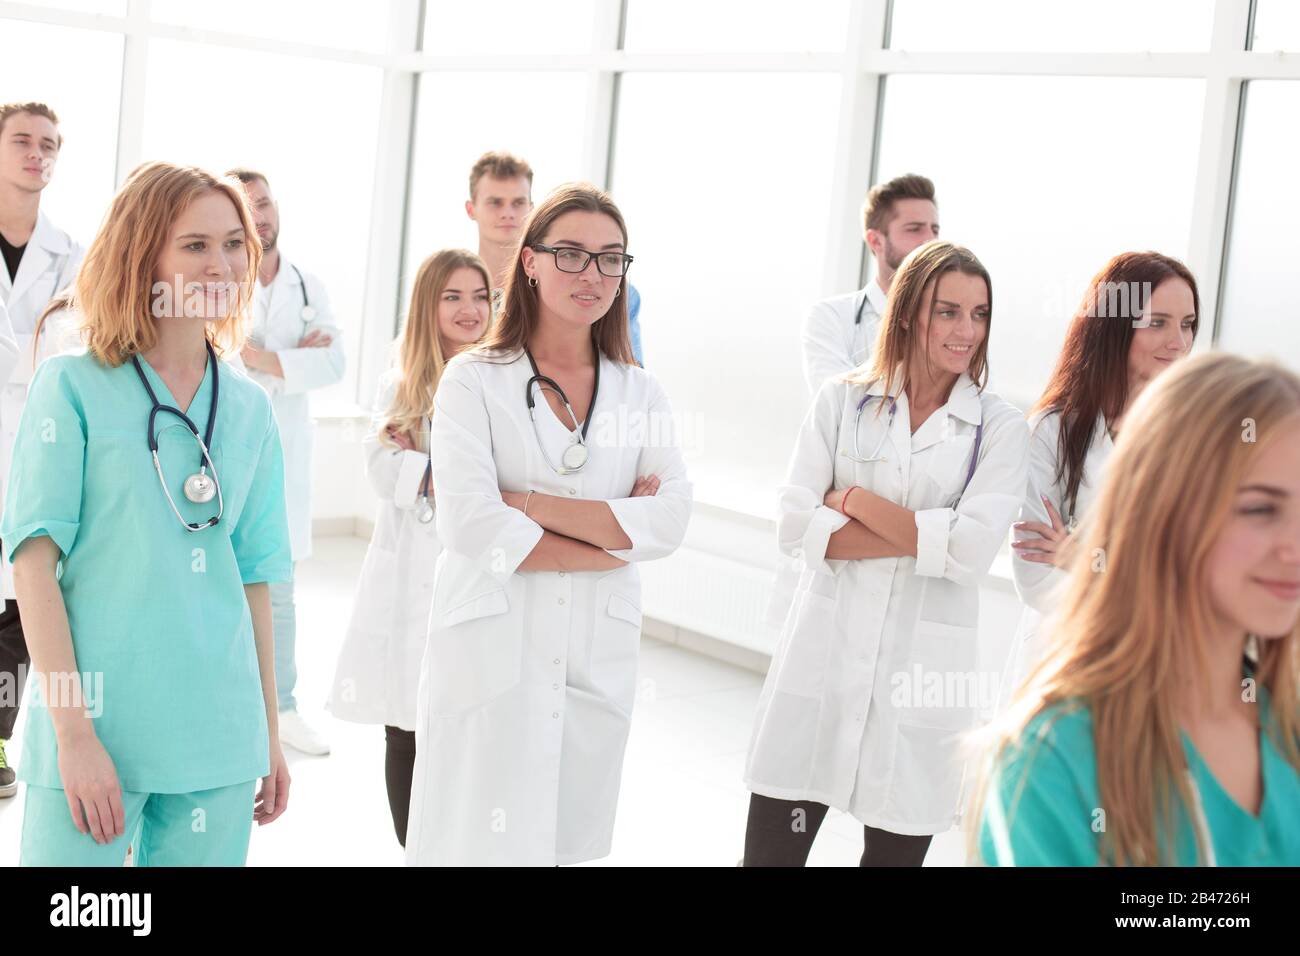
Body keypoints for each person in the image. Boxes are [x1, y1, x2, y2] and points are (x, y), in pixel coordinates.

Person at [2, 161, 292, 865]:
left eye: (233, 244)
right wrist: (73, 737)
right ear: (144, 254)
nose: (220, 263)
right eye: (194, 245)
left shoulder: (249, 405)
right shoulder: (70, 386)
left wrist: (268, 734)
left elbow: (254, 579)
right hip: (97, 731)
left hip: (217, 734)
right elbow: (34, 567)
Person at [405, 183, 691, 866]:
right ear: (528, 262)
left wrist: (527, 504)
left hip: (595, 650)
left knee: (565, 841)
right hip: (490, 650)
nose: (591, 274)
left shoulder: (639, 390)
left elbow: (671, 518)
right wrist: (612, 538)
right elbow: (471, 524)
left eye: (610, 259)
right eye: (570, 254)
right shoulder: (473, 380)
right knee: (472, 841)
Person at [744, 241, 1029, 866]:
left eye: (979, 314)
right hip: (822, 657)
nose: (966, 331)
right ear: (906, 315)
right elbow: (794, 524)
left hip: (921, 677)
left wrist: (851, 501)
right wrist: (927, 535)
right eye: (948, 311)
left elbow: (972, 551)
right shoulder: (843, 400)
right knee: (769, 858)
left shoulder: (1000, 427)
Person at [972, 352, 1300, 866]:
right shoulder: (1052, 762)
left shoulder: (1287, 728)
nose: (1293, 546)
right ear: (1164, 513)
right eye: (1260, 509)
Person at [327, 248, 492, 847]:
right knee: (406, 721)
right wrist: (439, 471)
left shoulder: (508, 375)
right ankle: (414, 849)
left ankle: (462, 846)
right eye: (452, 296)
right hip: (411, 570)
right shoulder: (400, 379)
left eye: (479, 296)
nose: (469, 308)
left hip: (480, 570)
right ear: (429, 304)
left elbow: (508, 479)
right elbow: (381, 469)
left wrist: (424, 463)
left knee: (469, 718)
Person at [1003, 253, 1198, 708]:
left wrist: (1080, 556)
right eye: (1159, 323)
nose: (1179, 342)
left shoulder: (1190, 436)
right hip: (1061, 661)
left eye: (1187, 324)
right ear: (1113, 325)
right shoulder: (1053, 430)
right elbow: (1033, 576)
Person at [228, 168, 344, 756]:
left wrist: (263, 357)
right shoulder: (217, 277)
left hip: (286, 450)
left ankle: (284, 708)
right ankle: (226, 706)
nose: (262, 215)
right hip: (225, 448)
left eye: (266, 203)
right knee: (218, 582)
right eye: (248, 207)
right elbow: (217, 355)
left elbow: (335, 364)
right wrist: (292, 359)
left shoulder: (307, 284)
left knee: (278, 588)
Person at [0, 101, 85, 800]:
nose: (37, 153)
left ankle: (0, 741)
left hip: (39, 436)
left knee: (23, 602)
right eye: (23, 140)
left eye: (49, 144)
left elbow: (75, 347)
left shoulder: (73, 255)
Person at [465, 151, 645, 364]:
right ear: (471, 209)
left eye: (518, 203)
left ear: (531, 209)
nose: (507, 213)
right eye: (495, 202)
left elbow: (629, 373)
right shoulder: (452, 289)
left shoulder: (618, 293)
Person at [800, 173, 938, 395]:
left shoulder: (958, 322)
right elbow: (839, 404)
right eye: (915, 229)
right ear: (875, 241)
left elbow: (976, 410)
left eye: (935, 229)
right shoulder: (831, 317)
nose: (930, 240)